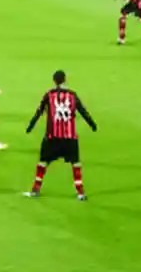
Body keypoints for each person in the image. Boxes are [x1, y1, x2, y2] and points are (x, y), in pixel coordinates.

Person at [24, 70, 97, 199]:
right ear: (65, 80)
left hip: (52, 136)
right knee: (75, 163)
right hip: (70, 137)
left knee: (43, 162)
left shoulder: (49, 94)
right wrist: (92, 124)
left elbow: (39, 111)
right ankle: (81, 193)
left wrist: (30, 126)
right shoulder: (72, 95)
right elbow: (83, 111)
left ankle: (35, 189)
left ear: (54, 81)